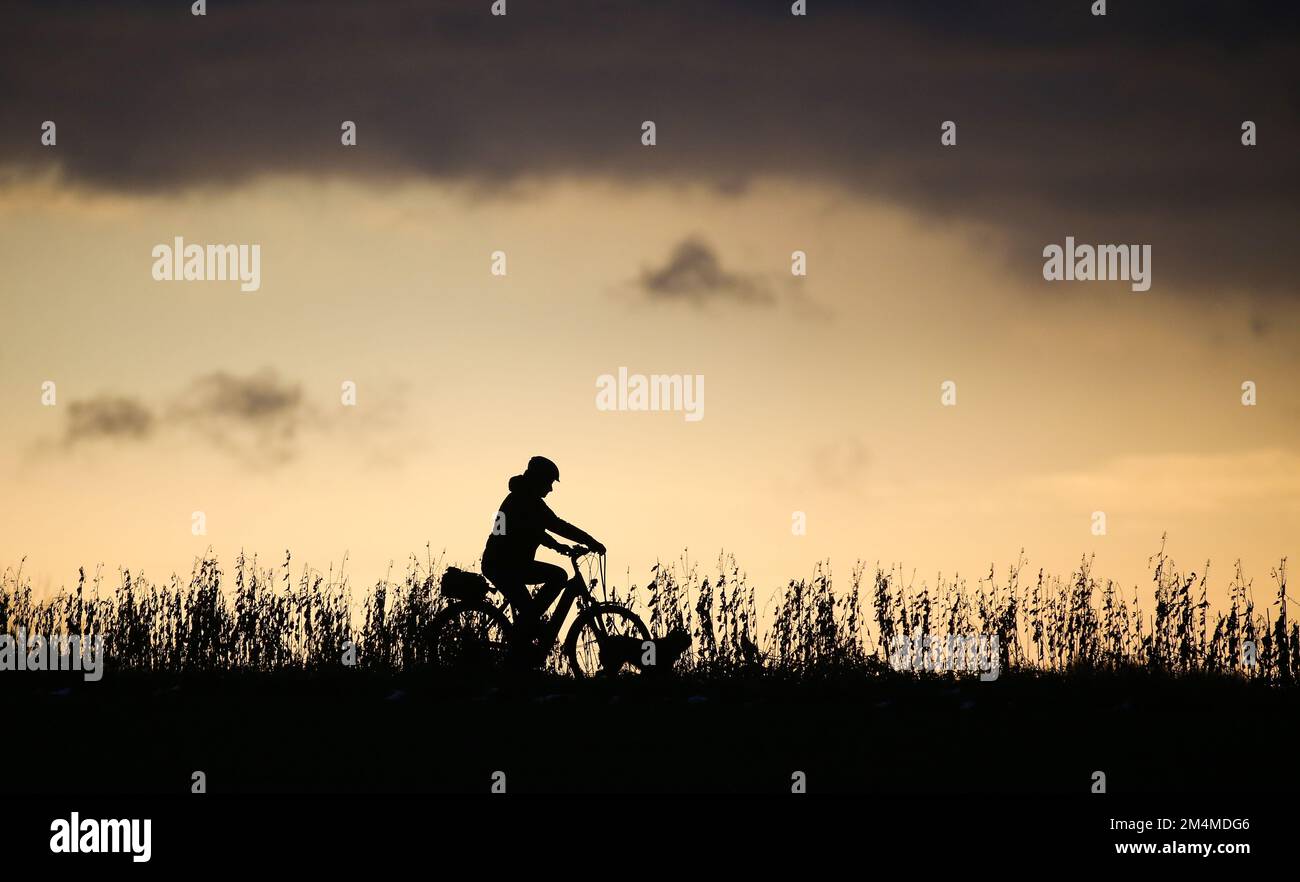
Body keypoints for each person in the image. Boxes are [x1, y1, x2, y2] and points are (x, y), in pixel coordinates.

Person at [482, 456, 605, 656]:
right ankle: (526, 636)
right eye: (548, 483)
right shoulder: (526, 500)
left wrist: (558, 546)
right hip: (504, 566)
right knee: (557, 577)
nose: (550, 489)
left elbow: (533, 530)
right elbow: (556, 525)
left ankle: (527, 635)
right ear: (539, 479)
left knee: (532, 610)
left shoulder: (521, 497)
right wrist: (591, 541)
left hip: (506, 564)